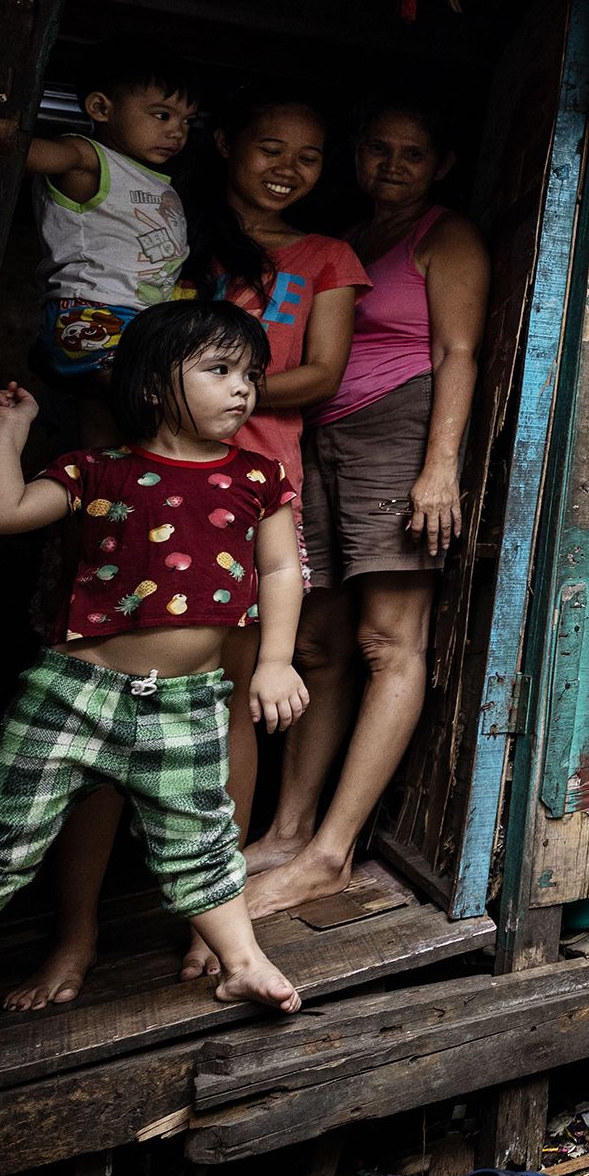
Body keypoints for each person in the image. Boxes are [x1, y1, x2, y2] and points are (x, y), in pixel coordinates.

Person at [0, 301, 307, 1086]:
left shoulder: (258, 477)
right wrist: (10, 427)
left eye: (251, 376)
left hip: (189, 702)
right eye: (221, 371)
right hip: (74, 693)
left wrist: (274, 661)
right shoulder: (100, 470)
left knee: (201, 843)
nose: (244, 391)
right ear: (155, 386)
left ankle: (242, 960)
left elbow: (277, 571)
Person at [11, 100, 366, 1006]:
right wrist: (152, 404)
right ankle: (77, 932)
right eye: (270, 147)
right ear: (227, 149)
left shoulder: (322, 256)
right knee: (93, 727)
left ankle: (217, 921)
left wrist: (210, 393)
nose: (289, 166)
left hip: (247, 495)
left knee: (229, 716)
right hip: (133, 493)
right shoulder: (174, 231)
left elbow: (321, 374)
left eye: (312, 154)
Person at [239, 99, 491, 918]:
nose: (392, 165)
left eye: (411, 153)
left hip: (399, 431)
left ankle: (330, 852)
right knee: (317, 641)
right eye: (378, 150)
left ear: (440, 165)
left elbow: (458, 351)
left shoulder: (444, 236)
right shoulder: (348, 238)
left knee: (390, 640)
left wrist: (440, 468)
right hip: (320, 439)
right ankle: (287, 828)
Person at [25, 44, 199, 443]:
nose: (177, 131)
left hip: (136, 325)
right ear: (101, 109)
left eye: (186, 121)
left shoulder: (154, 179)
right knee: (149, 399)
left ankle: (100, 491)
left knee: (114, 432)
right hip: (92, 316)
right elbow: (32, 153)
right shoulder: (88, 159)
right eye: (162, 115)